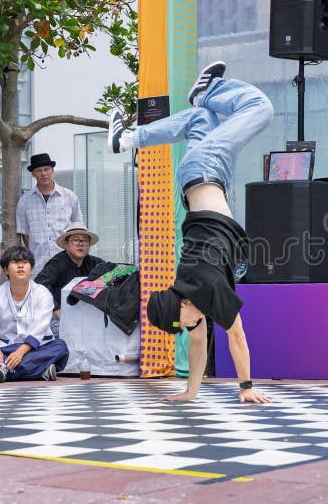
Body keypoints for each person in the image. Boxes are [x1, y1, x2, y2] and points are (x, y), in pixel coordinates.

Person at [108, 61, 270, 403]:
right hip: (208, 178)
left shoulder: (205, 285)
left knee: (260, 107)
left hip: (205, 170)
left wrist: (246, 387)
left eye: (179, 324)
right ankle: (132, 137)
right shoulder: (192, 297)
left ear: (183, 305)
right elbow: (199, 346)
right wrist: (190, 393)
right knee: (199, 118)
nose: (186, 329)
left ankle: (206, 93)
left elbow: (236, 336)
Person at [0, 245, 69, 382]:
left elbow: (40, 327)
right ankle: (40, 371)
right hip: (5, 349)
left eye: (25, 263)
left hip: (35, 348)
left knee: (60, 347)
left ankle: (3, 370)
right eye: (15, 263)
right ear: (6, 270)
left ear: (31, 269)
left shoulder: (42, 293)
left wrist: (21, 352)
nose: (21, 266)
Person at [16, 153, 83, 273]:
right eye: (38, 170)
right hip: (38, 265)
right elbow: (24, 233)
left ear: (52, 170)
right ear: (33, 174)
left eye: (46, 169)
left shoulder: (70, 197)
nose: (43, 174)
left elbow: (78, 228)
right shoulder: (24, 201)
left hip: (67, 263)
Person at [35, 222, 104, 338]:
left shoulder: (93, 262)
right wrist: (56, 309)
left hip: (83, 315)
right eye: (75, 240)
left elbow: (112, 271)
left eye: (84, 241)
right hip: (55, 317)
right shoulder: (57, 264)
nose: (80, 244)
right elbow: (39, 284)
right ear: (66, 244)